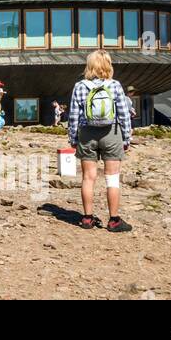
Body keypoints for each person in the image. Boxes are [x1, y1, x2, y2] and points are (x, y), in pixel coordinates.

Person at [67, 49, 134, 232]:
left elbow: (73, 116)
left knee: (88, 177)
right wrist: (126, 137)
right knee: (112, 178)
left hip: (87, 133)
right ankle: (114, 221)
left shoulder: (80, 86)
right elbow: (123, 115)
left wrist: (73, 138)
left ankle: (87, 218)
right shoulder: (115, 85)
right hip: (111, 133)